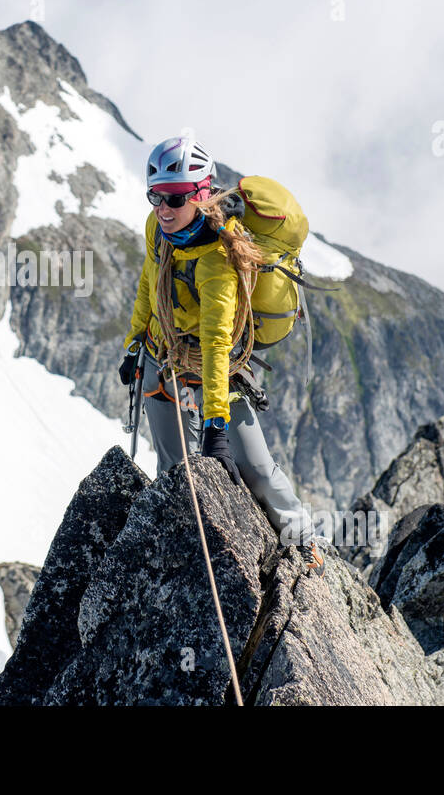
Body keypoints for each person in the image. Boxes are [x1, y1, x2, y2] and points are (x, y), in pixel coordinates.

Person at [119, 136, 326, 576]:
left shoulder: (218, 258)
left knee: (255, 468)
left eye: (175, 197)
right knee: (176, 469)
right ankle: (188, 553)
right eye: (155, 195)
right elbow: (147, 281)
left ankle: (302, 540)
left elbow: (216, 344)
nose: (163, 208)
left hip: (217, 374)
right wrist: (135, 340)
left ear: (200, 194)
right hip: (162, 359)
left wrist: (215, 424)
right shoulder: (158, 229)